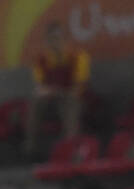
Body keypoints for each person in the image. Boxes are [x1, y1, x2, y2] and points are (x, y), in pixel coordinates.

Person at [25, 22, 90, 156]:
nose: (54, 43)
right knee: (36, 102)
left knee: (70, 103)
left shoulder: (78, 56)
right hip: (51, 99)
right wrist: (49, 92)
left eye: (57, 38)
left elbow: (79, 86)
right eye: (50, 39)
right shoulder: (41, 60)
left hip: (75, 98)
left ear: (65, 39)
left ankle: (70, 149)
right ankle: (31, 147)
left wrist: (58, 92)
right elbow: (40, 87)